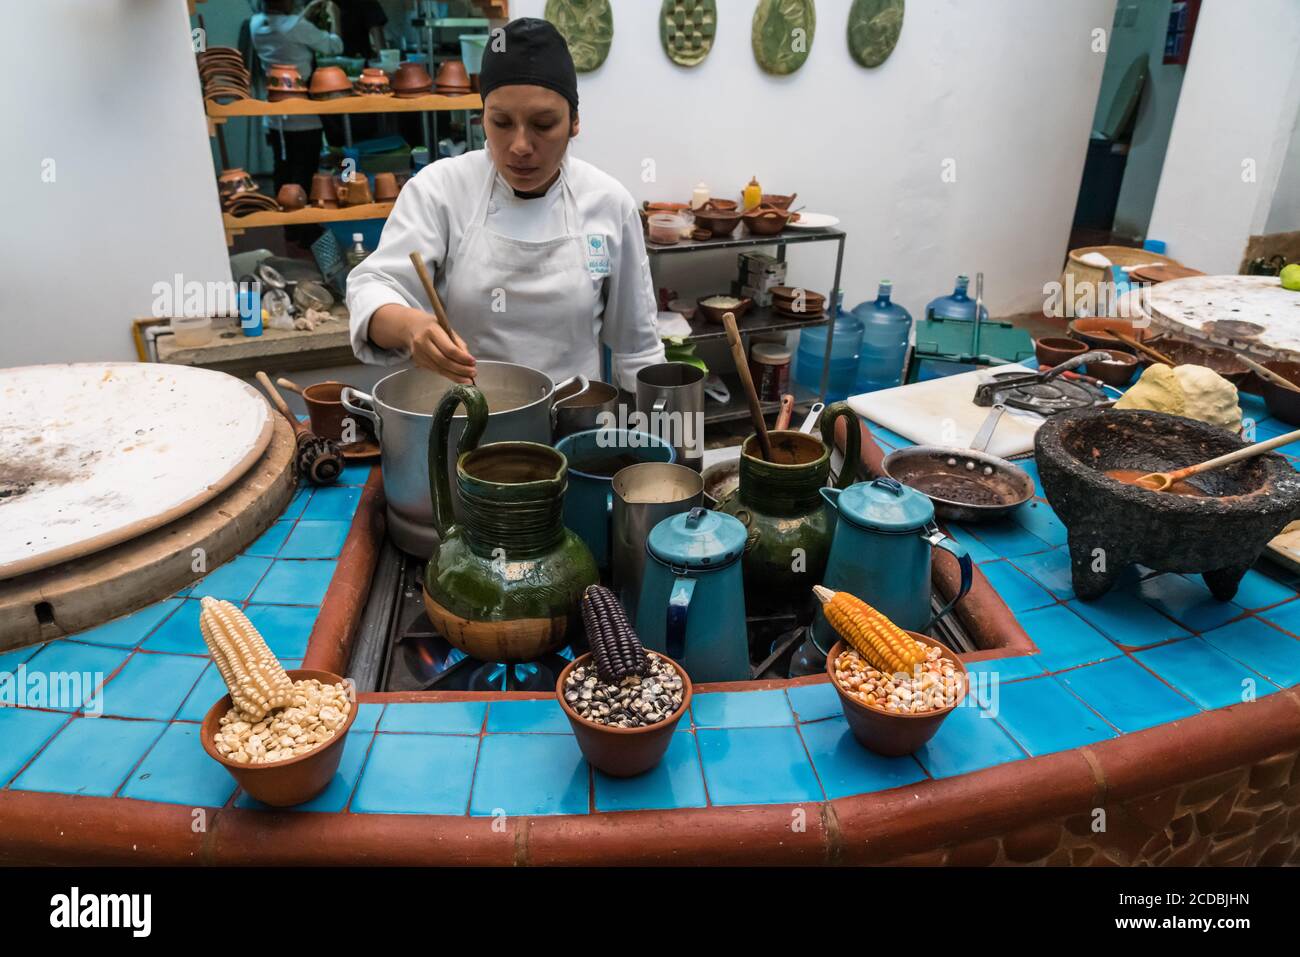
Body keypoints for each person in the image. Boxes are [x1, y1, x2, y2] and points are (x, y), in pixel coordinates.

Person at [345, 17, 665, 390]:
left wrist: (652, 439)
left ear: (574, 121)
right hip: (467, 424)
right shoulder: (441, 189)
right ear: (482, 118)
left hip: (574, 427)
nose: (520, 146)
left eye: (543, 124)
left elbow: (637, 347)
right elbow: (373, 286)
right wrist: (410, 326)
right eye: (501, 122)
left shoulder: (609, 203)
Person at [249, 0, 343, 246]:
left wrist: (304, 14)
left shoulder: (256, 24)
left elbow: (285, 24)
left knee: (283, 167)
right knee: (305, 171)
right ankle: (308, 231)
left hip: (275, 113)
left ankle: (290, 227)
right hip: (303, 116)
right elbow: (334, 45)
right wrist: (335, 16)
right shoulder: (297, 26)